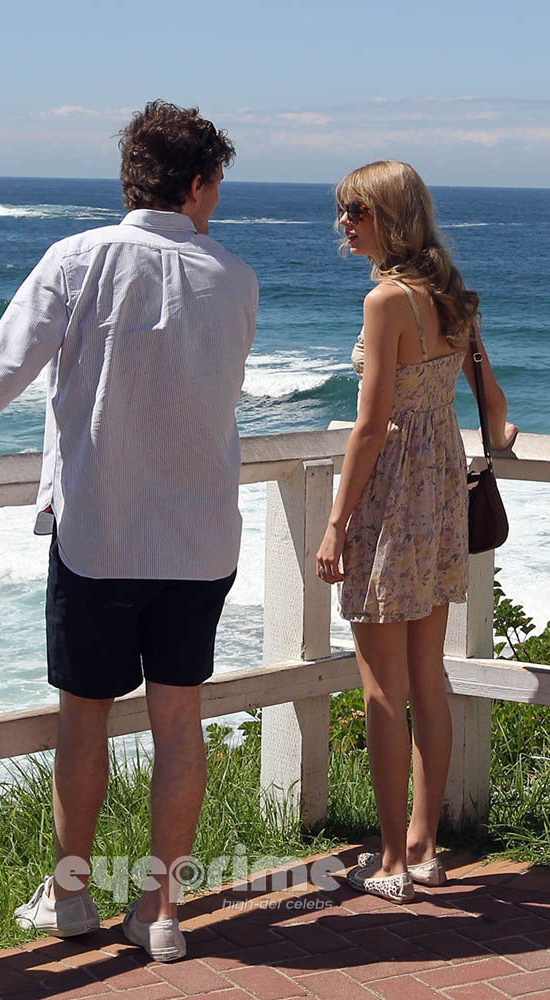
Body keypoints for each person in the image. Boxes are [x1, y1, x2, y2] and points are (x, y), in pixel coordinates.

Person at [0, 100, 258, 959]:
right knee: (178, 721)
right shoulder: (234, 277)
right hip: (200, 539)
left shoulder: (78, 259)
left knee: (84, 721)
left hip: (101, 530)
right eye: (217, 181)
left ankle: (71, 899)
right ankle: (161, 914)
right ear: (194, 183)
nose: (218, 197)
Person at [315, 160, 516, 903]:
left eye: (357, 211)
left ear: (390, 217)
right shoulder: (453, 294)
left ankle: (393, 863)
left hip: (392, 495)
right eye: (343, 211)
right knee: (427, 678)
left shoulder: (386, 300)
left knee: (381, 686)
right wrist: (500, 428)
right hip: (440, 492)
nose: (345, 224)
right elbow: (489, 397)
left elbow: (368, 427)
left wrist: (336, 524)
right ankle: (427, 849)